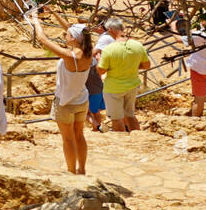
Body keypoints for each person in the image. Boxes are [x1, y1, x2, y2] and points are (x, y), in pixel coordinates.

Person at [32, 13, 92, 173]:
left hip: (65, 103)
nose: (65, 34)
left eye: (68, 35)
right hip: (82, 100)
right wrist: (54, 13)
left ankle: (71, 171)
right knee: (79, 135)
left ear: (74, 39)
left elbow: (43, 40)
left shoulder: (69, 56)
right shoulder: (88, 52)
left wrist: (35, 20)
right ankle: (82, 169)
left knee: (68, 138)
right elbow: (75, 31)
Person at [97, 16, 151, 132]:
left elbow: (101, 71)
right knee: (130, 115)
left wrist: (99, 59)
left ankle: (121, 143)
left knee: (116, 119)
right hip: (132, 85)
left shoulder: (109, 49)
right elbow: (147, 66)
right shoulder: (138, 45)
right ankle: (137, 138)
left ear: (110, 30)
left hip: (114, 88)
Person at [85, 18, 114, 131]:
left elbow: (94, 53)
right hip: (100, 71)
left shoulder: (104, 38)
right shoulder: (107, 37)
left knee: (91, 107)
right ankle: (98, 125)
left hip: (98, 70)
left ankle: (98, 126)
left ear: (101, 27)